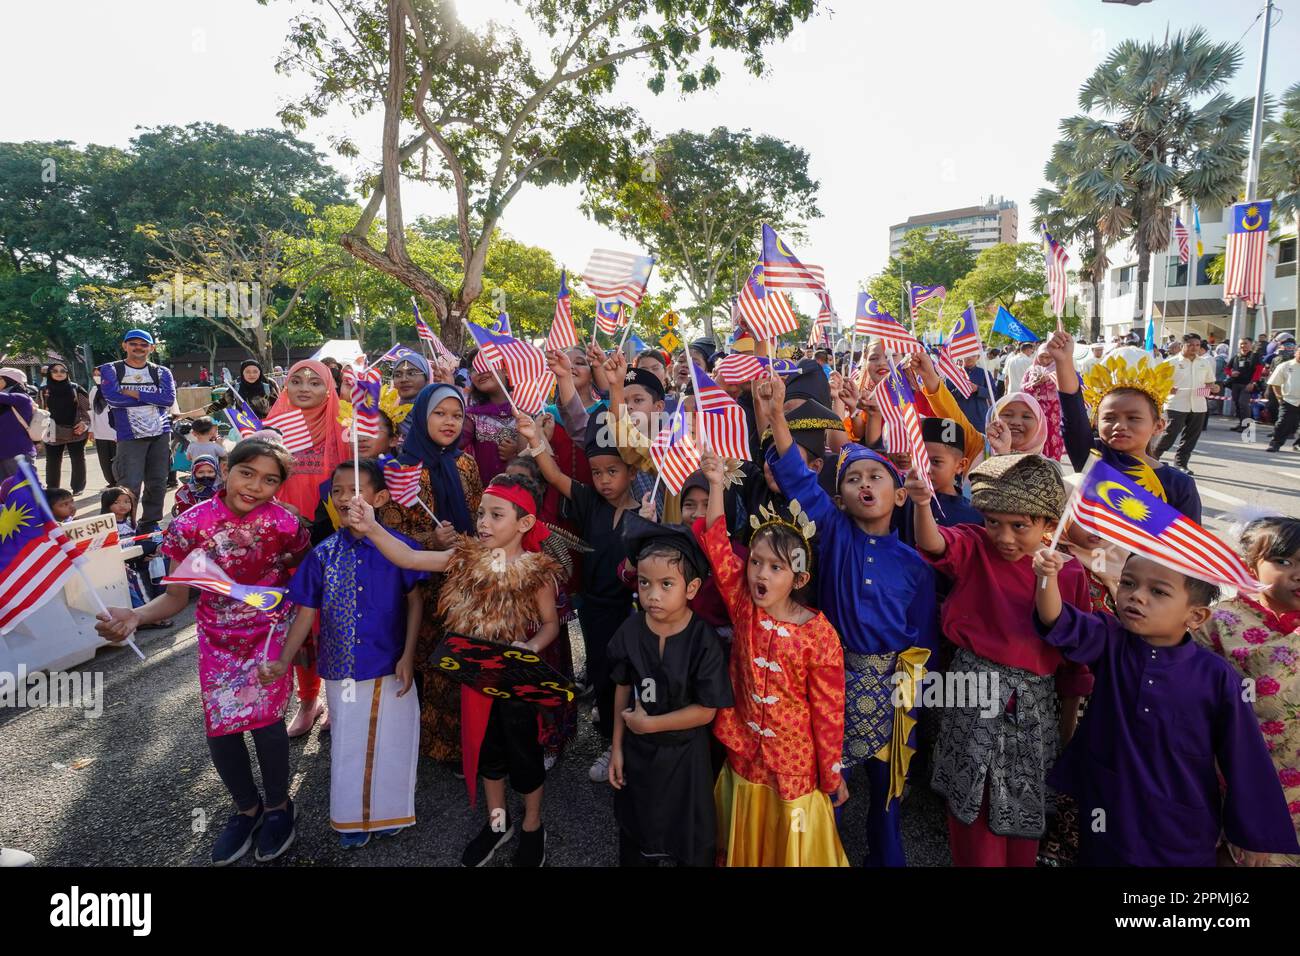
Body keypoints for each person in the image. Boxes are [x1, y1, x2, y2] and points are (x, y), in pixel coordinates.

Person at [95, 437, 311, 865]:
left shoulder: (287, 526)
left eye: (270, 480)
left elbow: (303, 584)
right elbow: (176, 598)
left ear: (279, 487)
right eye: (247, 473)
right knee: (222, 728)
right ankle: (246, 809)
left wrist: (291, 648)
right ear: (227, 467)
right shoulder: (189, 523)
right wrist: (138, 616)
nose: (255, 486)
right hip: (217, 640)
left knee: (268, 725)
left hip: (269, 633)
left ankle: (278, 807)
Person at [760, 373, 936, 866]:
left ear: (899, 496)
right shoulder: (833, 533)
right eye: (852, 479)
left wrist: (915, 700)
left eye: (875, 477)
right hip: (833, 681)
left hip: (893, 689)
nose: (863, 484)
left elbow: (925, 640)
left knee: (886, 793)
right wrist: (776, 416)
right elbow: (796, 476)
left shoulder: (915, 565)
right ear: (837, 499)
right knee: (827, 783)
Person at [346, 473, 563, 867]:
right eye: (481, 513)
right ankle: (498, 823)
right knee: (487, 755)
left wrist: (529, 647)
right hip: (474, 679)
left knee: (525, 758)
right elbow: (409, 557)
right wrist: (373, 528)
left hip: (514, 681)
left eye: (496, 515)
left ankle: (533, 825)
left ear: (525, 523)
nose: (483, 522)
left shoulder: (537, 572)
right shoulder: (462, 558)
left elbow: (551, 625)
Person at [1033, 548, 1299, 866]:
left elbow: (1244, 755)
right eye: (1129, 584)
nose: (1136, 597)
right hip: (1109, 808)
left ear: (1196, 616)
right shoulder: (1110, 641)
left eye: (1157, 591)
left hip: (1181, 823)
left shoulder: (1216, 676)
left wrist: (1254, 836)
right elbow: (1055, 619)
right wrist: (1046, 577)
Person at [907, 453, 1092, 866]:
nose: (1004, 536)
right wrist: (922, 505)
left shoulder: (1070, 574)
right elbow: (934, 543)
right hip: (972, 694)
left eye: (1019, 526)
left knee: (1022, 804)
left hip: (1034, 707)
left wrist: (1067, 729)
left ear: (1048, 524)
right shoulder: (975, 545)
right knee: (971, 802)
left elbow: (1074, 665)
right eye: (994, 522)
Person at [695, 449, 850, 866]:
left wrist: (831, 774)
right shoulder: (743, 605)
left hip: (794, 767)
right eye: (757, 563)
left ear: (799, 578)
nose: (760, 574)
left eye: (775, 568)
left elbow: (830, 712)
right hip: (744, 755)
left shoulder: (819, 636)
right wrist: (714, 484)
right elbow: (716, 543)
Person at [263, 459, 427, 849]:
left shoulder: (400, 548)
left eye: (354, 488)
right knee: (349, 743)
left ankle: (390, 812)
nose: (344, 497)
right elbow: (306, 613)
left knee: (394, 740)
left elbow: (416, 602)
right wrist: (284, 660)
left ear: (380, 497)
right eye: (336, 490)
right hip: (341, 668)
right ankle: (352, 818)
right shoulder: (322, 555)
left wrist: (408, 656)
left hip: (391, 663)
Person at [517, 407, 639, 784]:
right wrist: (534, 438)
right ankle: (609, 743)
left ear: (632, 472)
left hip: (633, 610)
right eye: (598, 472)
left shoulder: (648, 513)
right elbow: (553, 474)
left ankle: (635, 742)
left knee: (634, 676)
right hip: (597, 608)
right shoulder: (589, 501)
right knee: (603, 673)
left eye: (613, 472)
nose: (603, 480)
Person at [608, 523, 733, 866]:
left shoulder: (704, 640)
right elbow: (622, 686)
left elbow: (707, 711)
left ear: (692, 588)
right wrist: (616, 747)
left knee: (687, 836)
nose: (653, 595)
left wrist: (651, 725)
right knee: (638, 827)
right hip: (639, 754)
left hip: (686, 759)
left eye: (667, 585)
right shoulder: (631, 629)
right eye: (645, 583)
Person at [1196, 516, 1300, 865]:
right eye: (1283, 561)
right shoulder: (1216, 623)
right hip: (1242, 782)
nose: (1297, 573)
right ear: (1249, 566)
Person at [394, 381, 483, 764]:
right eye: (440, 413)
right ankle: (429, 744)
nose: (449, 421)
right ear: (421, 415)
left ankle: (465, 742)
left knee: (460, 659)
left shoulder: (465, 462)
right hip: (421, 586)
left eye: (457, 414)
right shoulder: (404, 467)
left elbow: (480, 513)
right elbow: (390, 529)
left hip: (465, 578)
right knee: (428, 659)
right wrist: (429, 539)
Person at [266, 360, 350, 738]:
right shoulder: (275, 427)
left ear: (328, 389)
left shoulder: (342, 426)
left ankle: (337, 700)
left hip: (333, 538)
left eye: (314, 382)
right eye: (296, 381)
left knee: (334, 621)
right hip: (287, 540)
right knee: (298, 626)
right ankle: (307, 700)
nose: (304, 388)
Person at [1049, 330, 1201, 522]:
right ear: (1096, 422)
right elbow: (1072, 414)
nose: (1120, 426)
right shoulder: (1093, 458)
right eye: (1110, 418)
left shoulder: (1179, 485)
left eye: (1133, 418)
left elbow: (1189, 547)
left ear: (1159, 425)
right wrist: (1063, 361)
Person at [96, 330, 176, 531]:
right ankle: (123, 525)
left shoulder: (162, 372)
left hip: (161, 433)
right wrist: (151, 395)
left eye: (144, 344)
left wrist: (133, 392)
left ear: (152, 348)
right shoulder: (110, 370)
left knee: (158, 482)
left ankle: (150, 523)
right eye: (134, 344)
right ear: (124, 346)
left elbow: (167, 400)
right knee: (129, 484)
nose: (139, 347)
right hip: (129, 435)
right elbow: (114, 399)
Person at [1154, 332, 1218, 473]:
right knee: (1169, 435)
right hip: (1176, 405)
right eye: (1191, 345)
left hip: (1198, 405)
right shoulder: (1170, 363)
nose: (1194, 348)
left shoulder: (1204, 362)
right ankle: (1152, 458)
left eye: (1197, 345)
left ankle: (1181, 464)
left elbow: (1210, 382)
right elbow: (1157, 384)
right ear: (1182, 345)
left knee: (1191, 438)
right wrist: (1167, 389)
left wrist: (1213, 387)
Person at [40, 361, 91, 496]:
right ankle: (52, 490)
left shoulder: (76, 388)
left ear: (67, 373)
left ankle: (78, 487)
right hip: (52, 431)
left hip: (76, 430)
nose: (59, 373)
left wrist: (84, 423)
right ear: (49, 374)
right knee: (52, 461)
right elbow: (38, 410)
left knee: (78, 459)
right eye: (55, 371)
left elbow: (86, 409)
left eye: (62, 371)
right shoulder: (44, 390)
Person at [382, 351, 431, 448]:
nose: (404, 379)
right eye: (398, 375)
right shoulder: (387, 413)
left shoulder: (437, 411)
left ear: (427, 378)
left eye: (411, 373)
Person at [0, 367, 36, 482]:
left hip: (17, 452)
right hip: (3, 452)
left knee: (26, 490)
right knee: (5, 494)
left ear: (10, 380)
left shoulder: (22, 398)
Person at [1265, 348, 1300, 452]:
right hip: (1289, 400)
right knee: (1283, 423)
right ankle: (1275, 444)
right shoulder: (1285, 366)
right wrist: (1280, 398)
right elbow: (1275, 383)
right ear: (1295, 353)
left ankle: (1298, 445)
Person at [88, 371, 117, 489]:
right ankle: (111, 482)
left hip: (116, 432)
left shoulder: (117, 389)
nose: (98, 377)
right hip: (100, 432)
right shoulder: (94, 391)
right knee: (105, 461)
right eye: (95, 375)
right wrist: (91, 429)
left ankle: (119, 482)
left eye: (100, 374)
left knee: (117, 460)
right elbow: (91, 410)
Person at [1226, 337, 1262, 431]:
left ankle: (1246, 425)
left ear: (1251, 345)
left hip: (1247, 385)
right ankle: (1241, 424)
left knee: (1243, 403)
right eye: (1241, 343)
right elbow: (1227, 369)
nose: (1243, 346)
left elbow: (1258, 371)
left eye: (1245, 343)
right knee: (1237, 404)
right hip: (1235, 384)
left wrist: (1252, 382)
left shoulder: (1254, 356)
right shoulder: (1236, 356)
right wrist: (1231, 373)